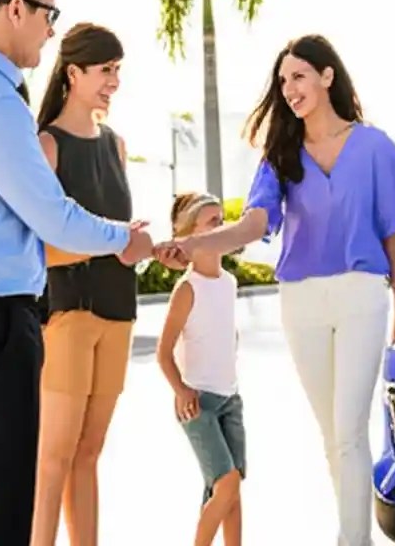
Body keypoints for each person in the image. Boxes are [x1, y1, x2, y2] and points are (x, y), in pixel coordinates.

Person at [164, 34, 395, 545]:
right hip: (301, 301)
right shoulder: (281, 155)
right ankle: (355, 536)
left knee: (350, 431)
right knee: (334, 440)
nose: (289, 89)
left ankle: (351, 541)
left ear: (327, 76)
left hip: (360, 293)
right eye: (283, 81)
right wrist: (194, 244)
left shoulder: (372, 145)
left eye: (298, 76)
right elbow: (252, 225)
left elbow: (388, 229)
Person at [0, 0, 155, 546]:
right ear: (15, 9)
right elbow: (52, 217)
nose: (52, 30)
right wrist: (122, 240)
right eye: (49, 13)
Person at [29, 23, 138, 546]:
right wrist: (116, 243)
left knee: (90, 453)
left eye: (118, 71)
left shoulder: (116, 147)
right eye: (105, 70)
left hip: (118, 313)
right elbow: (42, 248)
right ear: (73, 73)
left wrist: (144, 247)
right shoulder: (46, 145)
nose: (114, 81)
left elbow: (119, 235)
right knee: (54, 458)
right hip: (67, 315)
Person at [157, 192, 246, 546]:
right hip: (199, 404)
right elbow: (163, 352)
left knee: (231, 489)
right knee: (226, 485)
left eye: (222, 220)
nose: (221, 227)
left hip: (231, 398)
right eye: (213, 222)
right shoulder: (186, 289)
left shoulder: (229, 283)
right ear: (191, 234)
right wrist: (182, 390)